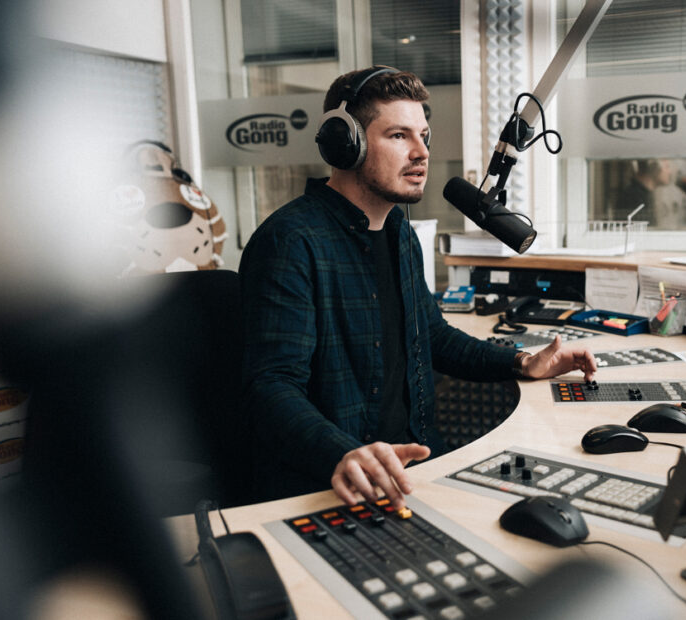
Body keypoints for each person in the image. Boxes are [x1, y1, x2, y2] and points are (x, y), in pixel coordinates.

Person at [240, 67, 597, 508]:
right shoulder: (291, 242)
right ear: (345, 143)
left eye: (423, 135)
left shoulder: (400, 234)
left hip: (420, 466)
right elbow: (272, 385)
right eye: (398, 135)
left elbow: (430, 335)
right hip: (340, 484)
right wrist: (342, 453)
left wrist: (523, 361)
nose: (421, 152)